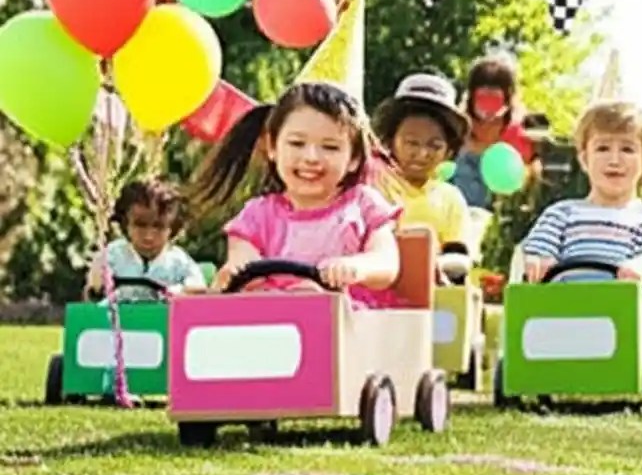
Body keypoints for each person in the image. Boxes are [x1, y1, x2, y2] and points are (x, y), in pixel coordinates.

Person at [189, 82, 403, 308]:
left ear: (353, 159)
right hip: (277, 325)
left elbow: (386, 263)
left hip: (350, 325)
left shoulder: (363, 204)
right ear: (273, 147)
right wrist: (231, 276)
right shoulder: (257, 215)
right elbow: (243, 267)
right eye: (297, 143)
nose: (311, 157)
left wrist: (356, 267)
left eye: (330, 147)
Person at [520, 100, 642, 283]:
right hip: (562, 306)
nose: (614, 160)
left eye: (627, 149)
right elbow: (538, 249)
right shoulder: (561, 214)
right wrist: (538, 261)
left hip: (621, 306)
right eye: (602, 148)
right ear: (585, 158)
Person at [372, 72, 471, 245]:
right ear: (390, 141)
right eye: (412, 143)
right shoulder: (372, 187)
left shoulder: (450, 200)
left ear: (448, 151)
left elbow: (460, 256)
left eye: (434, 145)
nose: (422, 154)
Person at [86, 178, 206, 302]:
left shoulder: (178, 262)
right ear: (126, 223)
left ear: (172, 227)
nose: (149, 236)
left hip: (162, 319)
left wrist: (179, 292)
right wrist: (97, 284)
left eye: (159, 226)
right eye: (140, 225)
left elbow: (199, 290)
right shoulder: (112, 255)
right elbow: (91, 296)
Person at [452, 54, 545, 210]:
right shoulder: (456, 128)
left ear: (508, 99)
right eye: (482, 99)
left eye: (494, 100)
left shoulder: (521, 132)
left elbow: (530, 180)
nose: (487, 109)